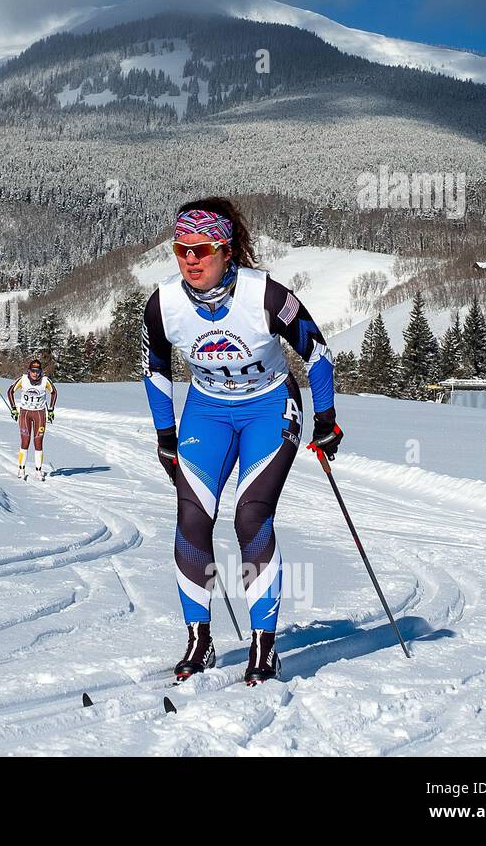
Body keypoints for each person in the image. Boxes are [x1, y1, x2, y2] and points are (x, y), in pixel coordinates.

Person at [141, 197, 342, 686]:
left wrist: (327, 418)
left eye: (202, 249)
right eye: (181, 249)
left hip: (268, 407)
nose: (191, 259)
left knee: (249, 515)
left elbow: (317, 353)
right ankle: (199, 638)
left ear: (227, 250)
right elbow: (156, 369)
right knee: (192, 517)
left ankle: (263, 645)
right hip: (206, 411)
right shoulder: (162, 304)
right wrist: (165, 435)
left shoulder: (266, 296)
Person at [6, 358, 58, 481]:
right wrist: (14, 408)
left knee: (38, 442)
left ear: (41, 372)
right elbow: (10, 391)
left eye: (37, 371)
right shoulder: (23, 379)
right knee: (25, 441)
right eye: (33, 371)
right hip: (25, 413)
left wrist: (51, 410)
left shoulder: (45, 381)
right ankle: (21, 469)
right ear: (29, 371)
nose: (35, 374)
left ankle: (38, 471)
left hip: (40, 414)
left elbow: (54, 392)